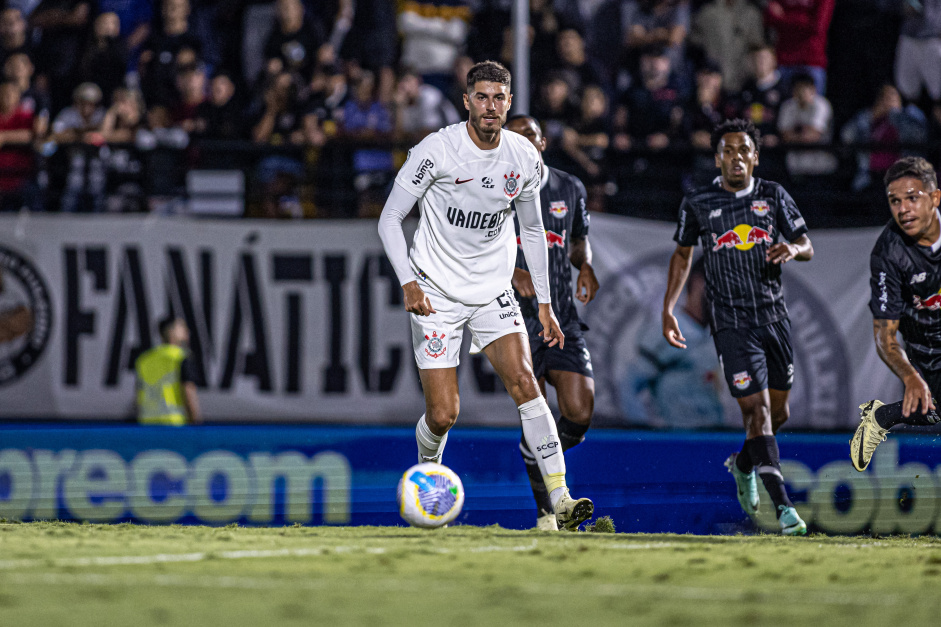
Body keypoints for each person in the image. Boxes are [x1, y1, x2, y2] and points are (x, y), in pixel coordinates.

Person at [378, 60, 594, 530]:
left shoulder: (522, 156)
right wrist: (408, 281)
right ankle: (427, 472)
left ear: (509, 102)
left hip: (493, 290)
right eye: (482, 97)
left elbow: (533, 230)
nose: (490, 106)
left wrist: (543, 303)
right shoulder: (437, 151)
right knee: (444, 412)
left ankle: (560, 498)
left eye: (499, 97)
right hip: (436, 290)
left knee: (525, 382)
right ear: (467, 101)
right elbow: (390, 218)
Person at [662, 118, 814, 535]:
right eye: (727, 151)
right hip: (730, 324)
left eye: (743, 151)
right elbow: (682, 255)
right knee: (758, 411)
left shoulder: (773, 196)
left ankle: (744, 465)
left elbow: (807, 244)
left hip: (774, 319)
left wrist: (793, 248)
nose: (735, 158)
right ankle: (784, 510)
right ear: (717, 158)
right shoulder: (698, 201)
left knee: (777, 414)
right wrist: (669, 307)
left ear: (755, 157)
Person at [505, 114, 600, 530]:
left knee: (579, 411)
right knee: (535, 408)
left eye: (529, 136)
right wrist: (512, 271)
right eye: (515, 137)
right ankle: (550, 510)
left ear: (542, 143)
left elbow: (579, 243)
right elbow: (474, 247)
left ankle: (536, 457)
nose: (523, 143)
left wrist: (586, 266)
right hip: (513, 318)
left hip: (561, 314)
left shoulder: (569, 188)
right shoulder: (495, 190)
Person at [850, 157, 941, 471]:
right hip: (926, 349)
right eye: (895, 201)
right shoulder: (889, 253)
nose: (903, 209)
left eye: (912, 198)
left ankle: (885, 415)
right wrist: (911, 377)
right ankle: (881, 417)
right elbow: (884, 336)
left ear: (935, 198)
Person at [135, 316, 201, 426]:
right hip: (172, 422)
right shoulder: (181, 357)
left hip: (147, 421)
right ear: (171, 331)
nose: (187, 331)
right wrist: (196, 422)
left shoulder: (144, 359)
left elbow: (138, 394)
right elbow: (188, 391)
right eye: (182, 327)